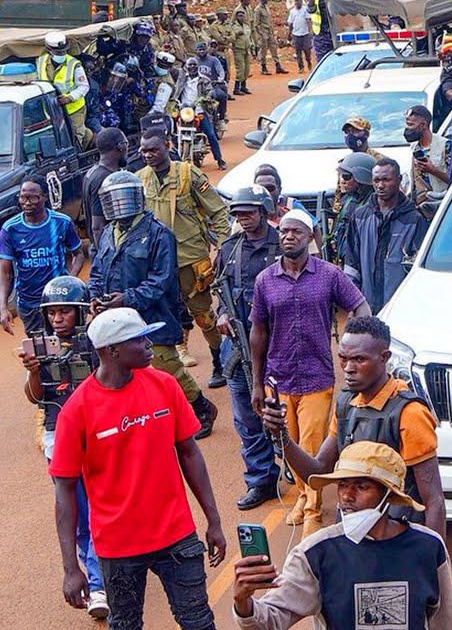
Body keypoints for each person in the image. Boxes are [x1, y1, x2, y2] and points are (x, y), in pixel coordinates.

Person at [49, 307, 226, 628]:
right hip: (117, 548)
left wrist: (213, 520)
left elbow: (190, 453)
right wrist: (71, 568)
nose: (149, 344)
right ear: (112, 351)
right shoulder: (76, 411)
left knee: (199, 622)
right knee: (126, 625)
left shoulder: (165, 385)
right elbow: (64, 492)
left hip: (177, 535)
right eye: (139, 339)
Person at [231, 441, 452, 629]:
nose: (347, 496)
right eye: (342, 485)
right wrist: (243, 602)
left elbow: (445, 623)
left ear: (388, 495)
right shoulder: (314, 553)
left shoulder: (428, 547)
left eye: (361, 487)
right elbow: (270, 620)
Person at [259, 316, 446, 533]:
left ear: (384, 358)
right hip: (352, 534)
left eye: (359, 359)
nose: (348, 368)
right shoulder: (346, 403)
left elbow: (434, 502)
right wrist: (281, 436)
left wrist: (435, 560)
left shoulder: (409, 413)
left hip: (397, 537)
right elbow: (317, 471)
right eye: (343, 358)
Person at [249, 210, 370, 536]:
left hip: (317, 377)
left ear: (310, 237)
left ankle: (314, 513)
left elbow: (359, 305)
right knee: (288, 446)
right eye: (285, 230)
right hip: (278, 378)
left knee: (312, 447)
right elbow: (258, 331)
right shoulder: (265, 280)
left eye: (297, 231)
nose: (289, 235)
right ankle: (304, 495)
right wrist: (257, 383)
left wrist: (355, 343)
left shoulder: (329, 275)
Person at [88, 171, 218, 436]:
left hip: (152, 314)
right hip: (114, 319)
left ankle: (201, 407)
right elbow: (97, 271)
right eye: (113, 198)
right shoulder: (108, 233)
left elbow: (161, 280)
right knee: (120, 370)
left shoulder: (159, 234)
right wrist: (94, 295)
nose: (119, 204)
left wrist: (127, 298)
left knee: (166, 365)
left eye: (124, 196)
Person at [19, 276, 107, 619]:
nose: (58, 319)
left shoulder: (98, 343)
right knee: (81, 514)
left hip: (100, 436)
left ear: (80, 312)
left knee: (103, 509)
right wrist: (33, 372)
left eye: (65, 311)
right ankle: (98, 584)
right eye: (52, 313)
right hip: (61, 438)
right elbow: (36, 398)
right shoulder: (40, 347)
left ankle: (105, 577)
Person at [137, 134, 232, 383]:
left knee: (203, 316)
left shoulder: (188, 175)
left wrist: (222, 247)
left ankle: (218, 362)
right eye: (144, 151)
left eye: (153, 150)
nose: (148, 155)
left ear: (167, 145)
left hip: (190, 259)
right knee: (161, 317)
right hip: (157, 264)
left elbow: (218, 210)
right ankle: (172, 375)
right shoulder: (140, 180)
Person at [214, 186, 282, 511]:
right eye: (238, 213)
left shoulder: (284, 245)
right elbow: (220, 295)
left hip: (280, 348)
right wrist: (222, 314)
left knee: (287, 413)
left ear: (264, 210)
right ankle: (261, 479)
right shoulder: (229, 249)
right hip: (239, 349)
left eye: (249, 212)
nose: (242, 218)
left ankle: (298, 470)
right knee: (246, 418)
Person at [342, 158, 429, 314]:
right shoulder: (360, 217)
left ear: (399, 179)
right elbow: (351, 263)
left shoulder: (414, 220)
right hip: (366, 309)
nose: (380, 185)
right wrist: (352, 302)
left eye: (386, 180)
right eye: (376, 180)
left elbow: (418, 269)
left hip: (401, 310)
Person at [0, 180, 86, 336]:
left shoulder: (62, 222)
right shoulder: (10, 228)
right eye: (22, 197)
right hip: (29, 304)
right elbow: (6, 273)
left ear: (44, 197)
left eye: (32, 198)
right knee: (40, 352)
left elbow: (78, 253)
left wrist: (69, 280)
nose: (27, 203)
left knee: (69, 347)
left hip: (60, 301)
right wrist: (3, 307)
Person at [36, 31, 92, 147]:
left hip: (74, 109)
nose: (62, 54)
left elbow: (84, 86)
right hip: (52, 109)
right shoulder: (41, 61)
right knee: (59, 137)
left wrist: (69, 97)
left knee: (76, 137)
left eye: (64, 51)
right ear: (49, 50)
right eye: (58, 52)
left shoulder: (74, 64)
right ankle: (90, 138)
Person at [84, 127, 126, 250]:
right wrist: (104, 258)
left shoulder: (93, 171)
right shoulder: (105, 178)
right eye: (126, 144)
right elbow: (97, 226)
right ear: (120, 146)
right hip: (105, 249)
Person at [254, 0, 286, 75]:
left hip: (269, 30)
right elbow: (256, 24)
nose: (267, 0)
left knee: (273, 48)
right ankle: (263, 67)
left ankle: (278, 66)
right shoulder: (258, 9)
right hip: (263, 31)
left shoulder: (266, 7)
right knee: (263, 50)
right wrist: (260, 33)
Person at [286, 0, 314, 72]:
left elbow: (308, 20)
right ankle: (301, 67)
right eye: (295, 2)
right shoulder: (292, 11)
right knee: (298, 52)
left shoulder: (305, 10)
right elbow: (290, 23)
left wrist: (309, 30)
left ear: (301, 2)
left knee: (307, 50)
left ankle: (309, 62)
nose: (296, 3)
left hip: (304, 33)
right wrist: (289, 34)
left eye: (298, 1)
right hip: (296, 34)